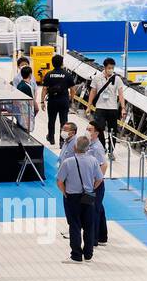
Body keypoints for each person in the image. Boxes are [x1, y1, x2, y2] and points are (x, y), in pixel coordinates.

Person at [56, 135, 103, 263]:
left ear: (75, 147)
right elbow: (99, 178)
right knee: (89, 225)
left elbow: (59, 181)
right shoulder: (93, 160)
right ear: (88, 148)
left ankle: (76, 255)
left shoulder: (68, 162)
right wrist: (91, 188)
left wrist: (65, 193)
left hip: (73, 196)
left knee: (75, 225)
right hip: (88, 195)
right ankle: (88, 254)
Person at [41, 54, 80, 146]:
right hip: (63, 100)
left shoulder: (49, 74)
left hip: (52, 101)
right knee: (63, 121)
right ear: (62, 63)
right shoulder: (67, 75)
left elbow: (44, 89)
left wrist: (42, 101)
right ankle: (62, 140)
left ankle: (51, 137)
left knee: (51, 120)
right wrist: (71, 99)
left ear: (52, 63)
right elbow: (73, 89)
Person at [89, 58, 126, 154]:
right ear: (105, 67)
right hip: (100, 108)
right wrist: (89, 105)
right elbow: (93, 92)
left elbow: (121, 94)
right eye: (109, 68)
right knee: (99, 128)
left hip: (112, 109)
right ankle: (102, 147)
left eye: (112, 68)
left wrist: (123, 108)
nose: (111, 70)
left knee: (112, 131)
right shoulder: (97, 78)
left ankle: (111, 150)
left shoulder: (117, 79)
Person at [13, 64, 39, 132]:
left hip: (21, 110)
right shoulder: (27, 87)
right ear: (30, 74)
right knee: (25, 127)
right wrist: (36, 108)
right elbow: (31, 101)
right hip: (26, 111)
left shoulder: (20, 84)